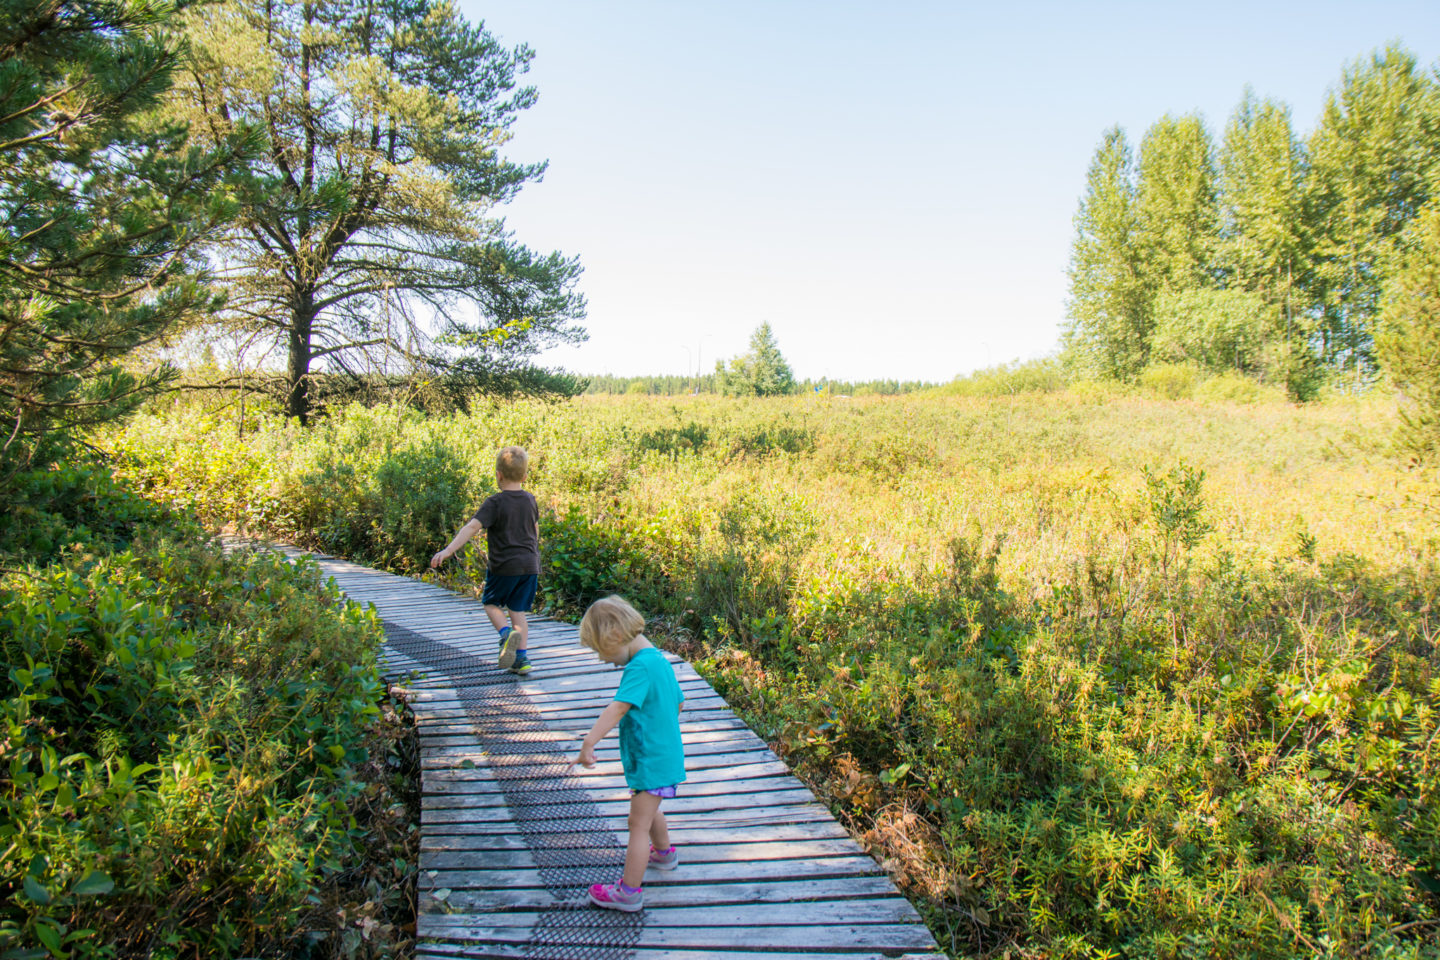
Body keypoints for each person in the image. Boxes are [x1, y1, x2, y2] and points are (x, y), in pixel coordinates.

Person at [574, 596, 686, 912]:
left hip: (651, 760)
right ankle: (664, 854)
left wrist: (589, 743)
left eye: (604, 652)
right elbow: (678, 704)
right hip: (662, 758)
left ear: (617, 637)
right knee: (648, 811)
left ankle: (629, 892)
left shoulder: (639, 667)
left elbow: (619, 707)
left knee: (636, 824)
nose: (605, 661)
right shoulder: (660, 661)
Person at [430, 446, 539, 675]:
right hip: (530, 564)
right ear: (525, 476)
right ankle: (521, 659)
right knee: (518, 611)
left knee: (491, 604)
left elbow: (472, 527)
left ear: (498, 475)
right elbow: (535, 530)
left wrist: (448, 550)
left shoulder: (495, 503)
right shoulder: (530, 500)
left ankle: (505, 634)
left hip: (504, 566)